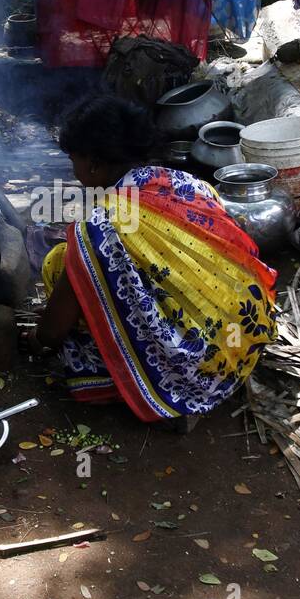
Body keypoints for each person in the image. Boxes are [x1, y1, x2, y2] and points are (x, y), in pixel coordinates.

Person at [31, 95, 277, 426]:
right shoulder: (186, 183)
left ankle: (130, 379)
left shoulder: (102, 224)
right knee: (76, 256)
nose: (72, 171)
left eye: (72, 160)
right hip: (239, 344)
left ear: (92, 163)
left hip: (195, 374)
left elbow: (50, 334)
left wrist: (34, 338)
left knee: (63, 262)